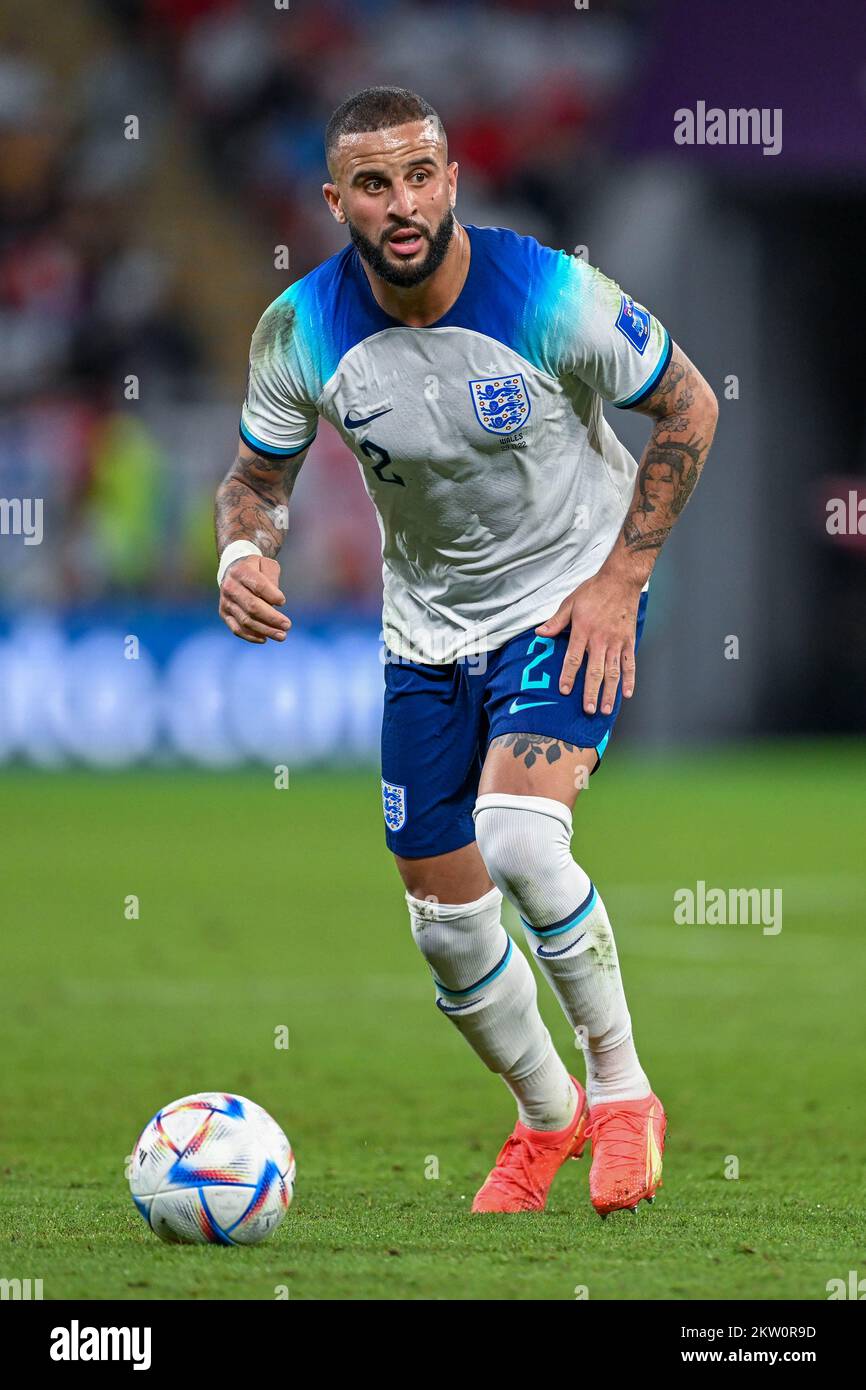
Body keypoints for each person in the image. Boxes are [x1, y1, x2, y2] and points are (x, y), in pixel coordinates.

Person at [214, 86, 718, 1217]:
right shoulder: (300, 330)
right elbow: (255, 479)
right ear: (334, 198)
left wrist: (619, 581)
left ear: (452, 177)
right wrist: (242, 554)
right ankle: (546, 1116)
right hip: (425, 632)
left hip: (563, 602)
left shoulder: (547, 292)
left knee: (520, 839)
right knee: (444, 926)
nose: (403, 203)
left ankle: (624, 1091)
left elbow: (689, 407)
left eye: (420, 174)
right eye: (374, 184)